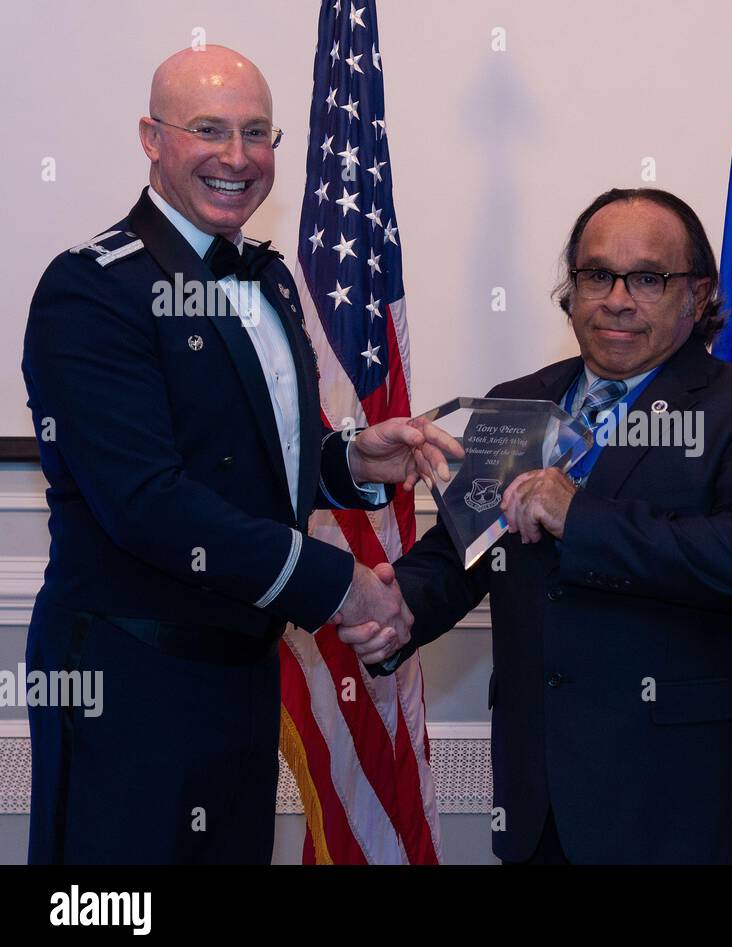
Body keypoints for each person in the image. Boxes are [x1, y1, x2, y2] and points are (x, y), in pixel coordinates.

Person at [21, 46, 456, 864]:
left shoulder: (271, 277)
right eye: (208, 130)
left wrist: (354, 462)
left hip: (244, 670)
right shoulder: (90, 289)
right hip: (132, 672)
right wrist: (343, 586)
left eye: (257, 133)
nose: (238, 157)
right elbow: (150, 502)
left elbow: (253, 455)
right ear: (152, 138)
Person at [345, 188, 732, 863]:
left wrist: (580, 516)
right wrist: (395, 606)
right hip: (541, 805)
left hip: (684, 808)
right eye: (596, 274)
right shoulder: (517, 401)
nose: (616, 298)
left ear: (698, 293)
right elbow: (462, 550)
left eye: (647, 278)